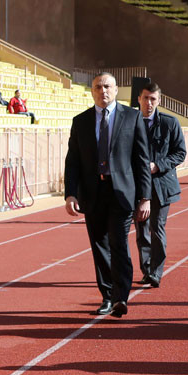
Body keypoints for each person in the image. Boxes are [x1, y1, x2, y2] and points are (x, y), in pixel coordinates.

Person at [64, 72, 151, 318]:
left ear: (116, 90)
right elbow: (73, 162)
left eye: (108, 87)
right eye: (98, 87)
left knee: (119, 244)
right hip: (92, 193)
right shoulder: (80, 121)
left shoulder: (132, 117)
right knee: (99, 246)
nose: (103, 91)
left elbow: (142, 160)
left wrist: (145, 197)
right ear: (92, 91)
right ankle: (107, 295)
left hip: (121, 192)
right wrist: (70, 194)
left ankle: (120, 297)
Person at [134, 82, 186, 289]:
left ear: (159, 100)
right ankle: (146, 269)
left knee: (157, 228)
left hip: (161, 185)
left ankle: (156, 272)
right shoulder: (129, 121)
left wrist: (158, 165)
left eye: (153, 99)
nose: (149, 103)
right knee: (141, 230)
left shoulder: (170, 123)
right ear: (139, 99)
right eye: (145, 98)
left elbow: (180, 153)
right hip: (137, 186)